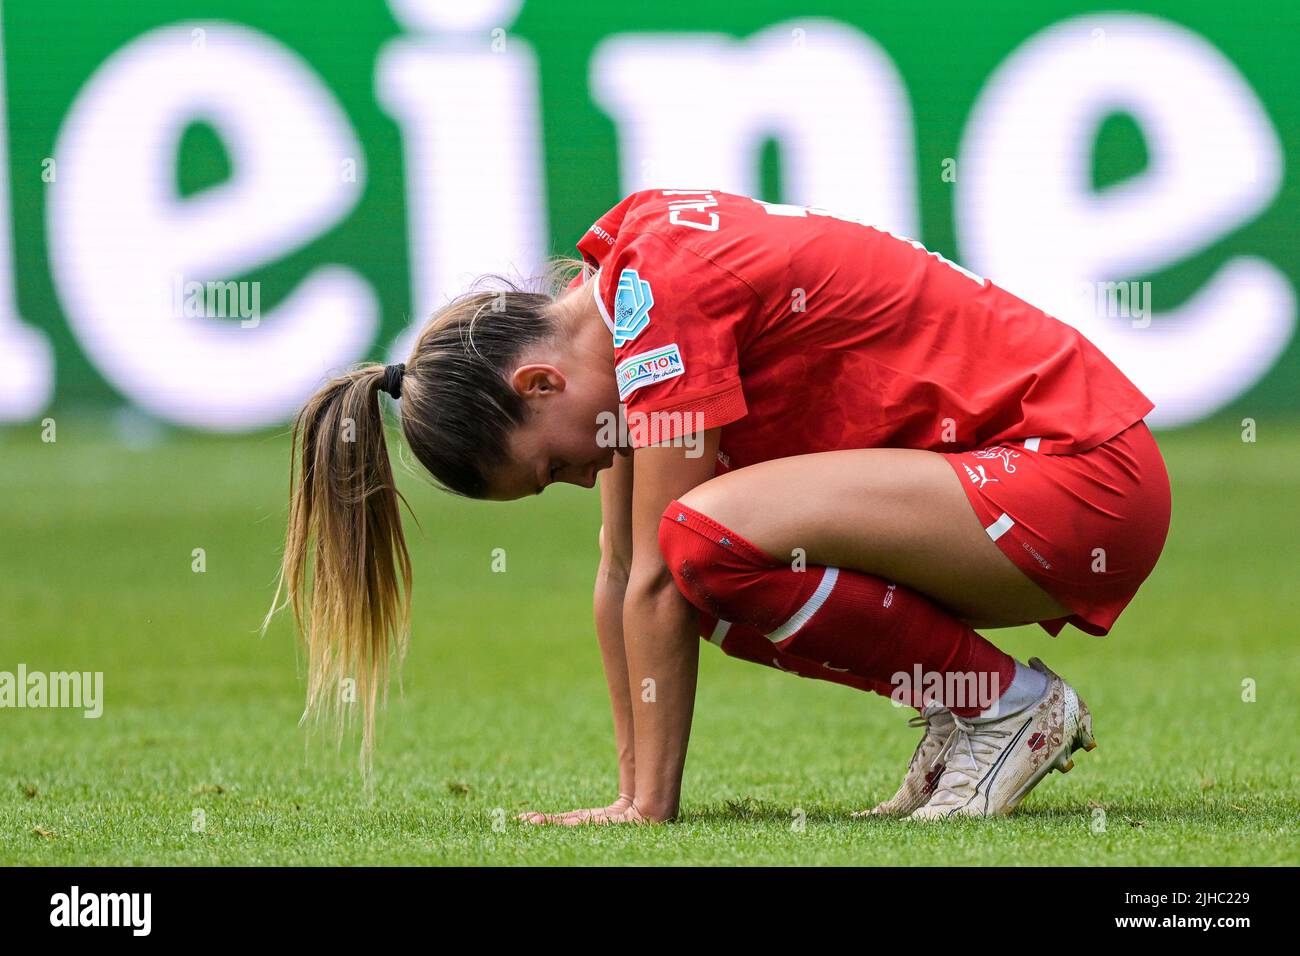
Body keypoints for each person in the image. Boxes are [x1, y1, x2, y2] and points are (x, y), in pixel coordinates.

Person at [269, 188, 1171, 823]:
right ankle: (973, 703)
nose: (582, 478)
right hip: (1019, 488)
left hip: (1076, 478)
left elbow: (659, 568)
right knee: (707, 571)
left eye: (550, 468)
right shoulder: (625, 293)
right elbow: (620, 571)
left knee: (703, 543)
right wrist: (630, 794)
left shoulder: (661, 297)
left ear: (540, 382)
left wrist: (649, 811)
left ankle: (1001, 705)